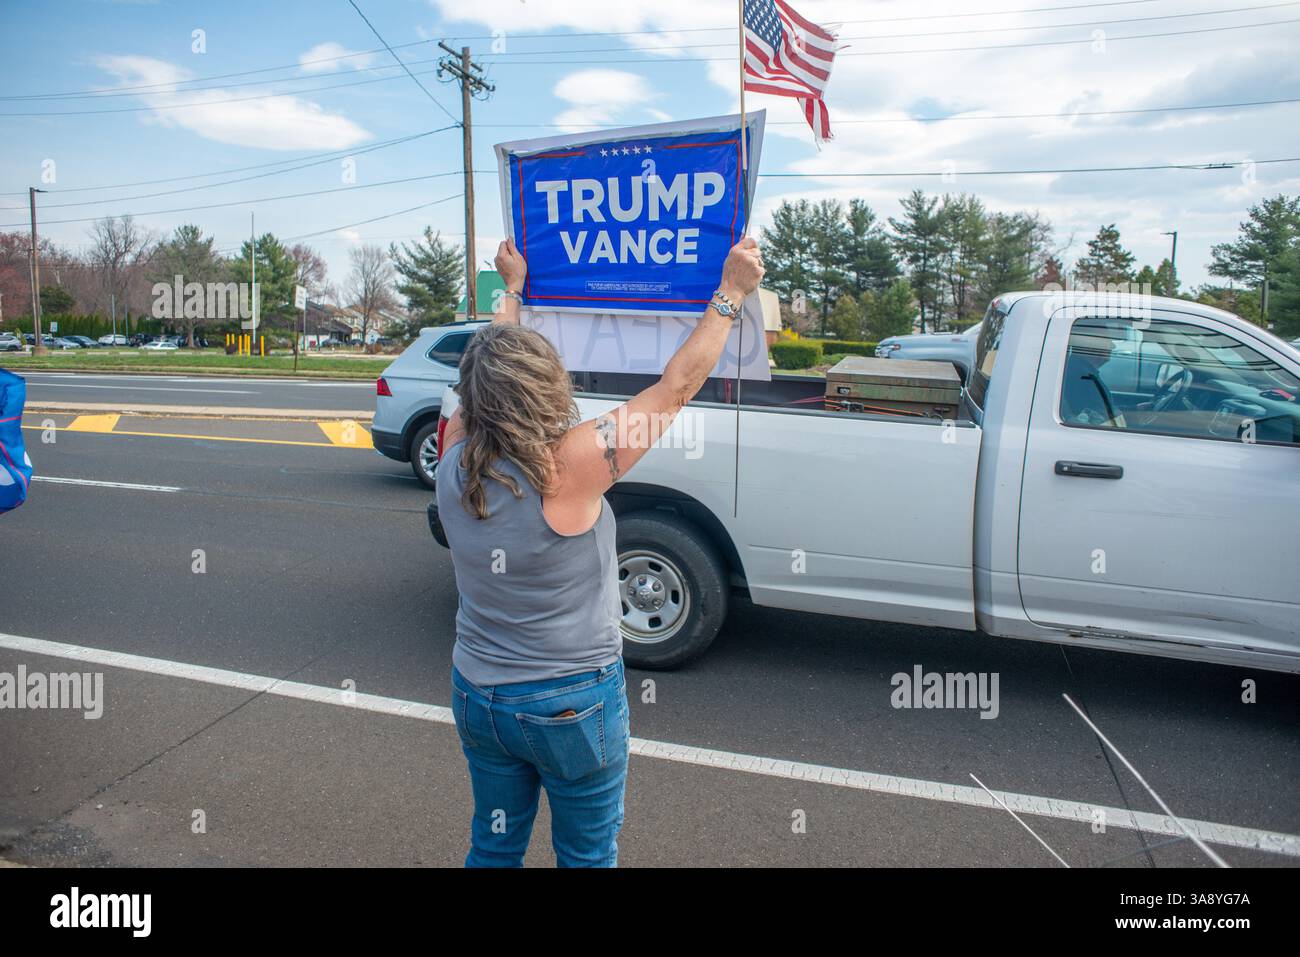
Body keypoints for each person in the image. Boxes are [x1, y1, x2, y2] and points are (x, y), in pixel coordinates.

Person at [437, 234, 765, 867]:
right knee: (586, 857)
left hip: (479, 694)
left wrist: (510, 292)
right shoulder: (573, 465)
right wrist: (731, 292)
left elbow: (483, 372)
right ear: (546, 387)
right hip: (569, 703)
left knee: (492, 846)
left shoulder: (454, 458)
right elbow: (675, 389)